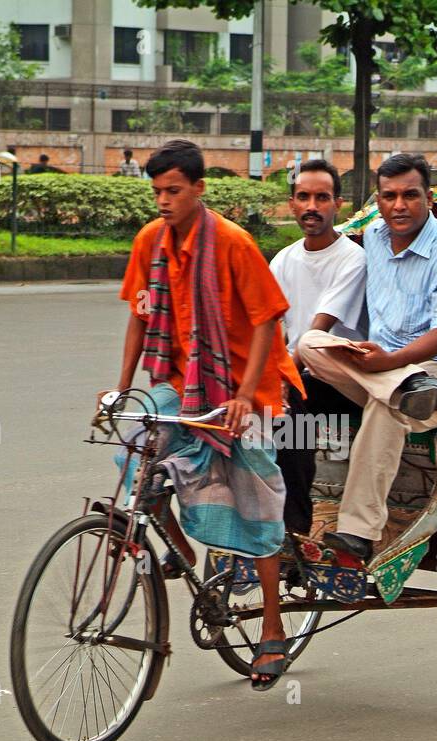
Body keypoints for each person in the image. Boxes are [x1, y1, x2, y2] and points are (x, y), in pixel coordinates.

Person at [116, 139, 305, 690]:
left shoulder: (233, 243)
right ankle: (177, 549)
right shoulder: (151, 241)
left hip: (249, 383)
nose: (164, 201)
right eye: (157, 192)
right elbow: (138, 317)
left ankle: (272, 627)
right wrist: (120, 389)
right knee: (134, 445)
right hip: (182, 382)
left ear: (199, 189)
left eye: (174, 190)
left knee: (257, 504)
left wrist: (245, 396)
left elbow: (269, 318)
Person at [296, 153, 437, 561]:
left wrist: (391, 361)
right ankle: (290, 522)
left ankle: (358, 533)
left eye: (410, 195)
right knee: (310, 344)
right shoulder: (375, 238)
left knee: (387, 408)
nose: (399, 205)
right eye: (389, 196)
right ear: (377, 201)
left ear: (428, 198)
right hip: (385, 370)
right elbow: (325, 240)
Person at [267, 159, 367, 535]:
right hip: (296, 373)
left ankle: (295, 528)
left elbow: (318, 328)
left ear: (337, 204)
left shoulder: (353, 259)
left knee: (291, 415)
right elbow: (273, 328)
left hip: (341, 378)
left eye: (322, 197)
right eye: (303, 197)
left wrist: (283, 381)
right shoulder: (283, 260)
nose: (312, 206)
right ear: (292, 204)